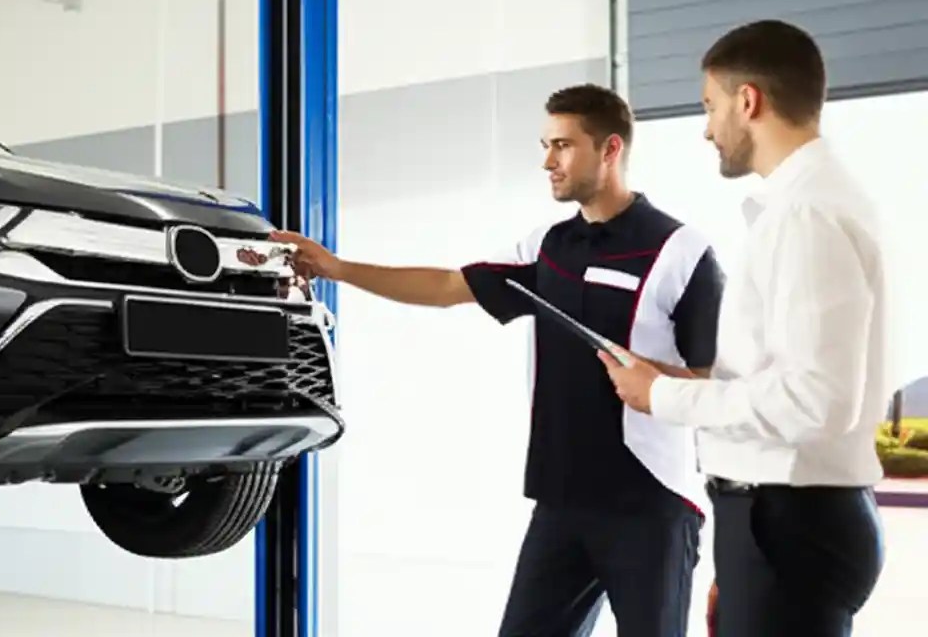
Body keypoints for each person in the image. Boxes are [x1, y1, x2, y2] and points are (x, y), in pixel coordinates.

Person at [271, 84, 726, 637]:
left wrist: (653, 383)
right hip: (561, 503)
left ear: (610, 150)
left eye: (562, 145)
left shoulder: (681, 251)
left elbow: (717, 386)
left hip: (652, 506)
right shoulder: (547, 248)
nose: (547, 162)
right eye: (545, 145)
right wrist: (338, 269)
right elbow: (446, 285)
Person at [598, 19, 889, 637]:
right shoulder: (813, 203)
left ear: (748, 99)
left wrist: (666, 397)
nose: (706, 128)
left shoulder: (807, 214)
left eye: (709, 105)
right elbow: (790, 377)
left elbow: (816, 401)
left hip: (789, 518)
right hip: (778, 520)